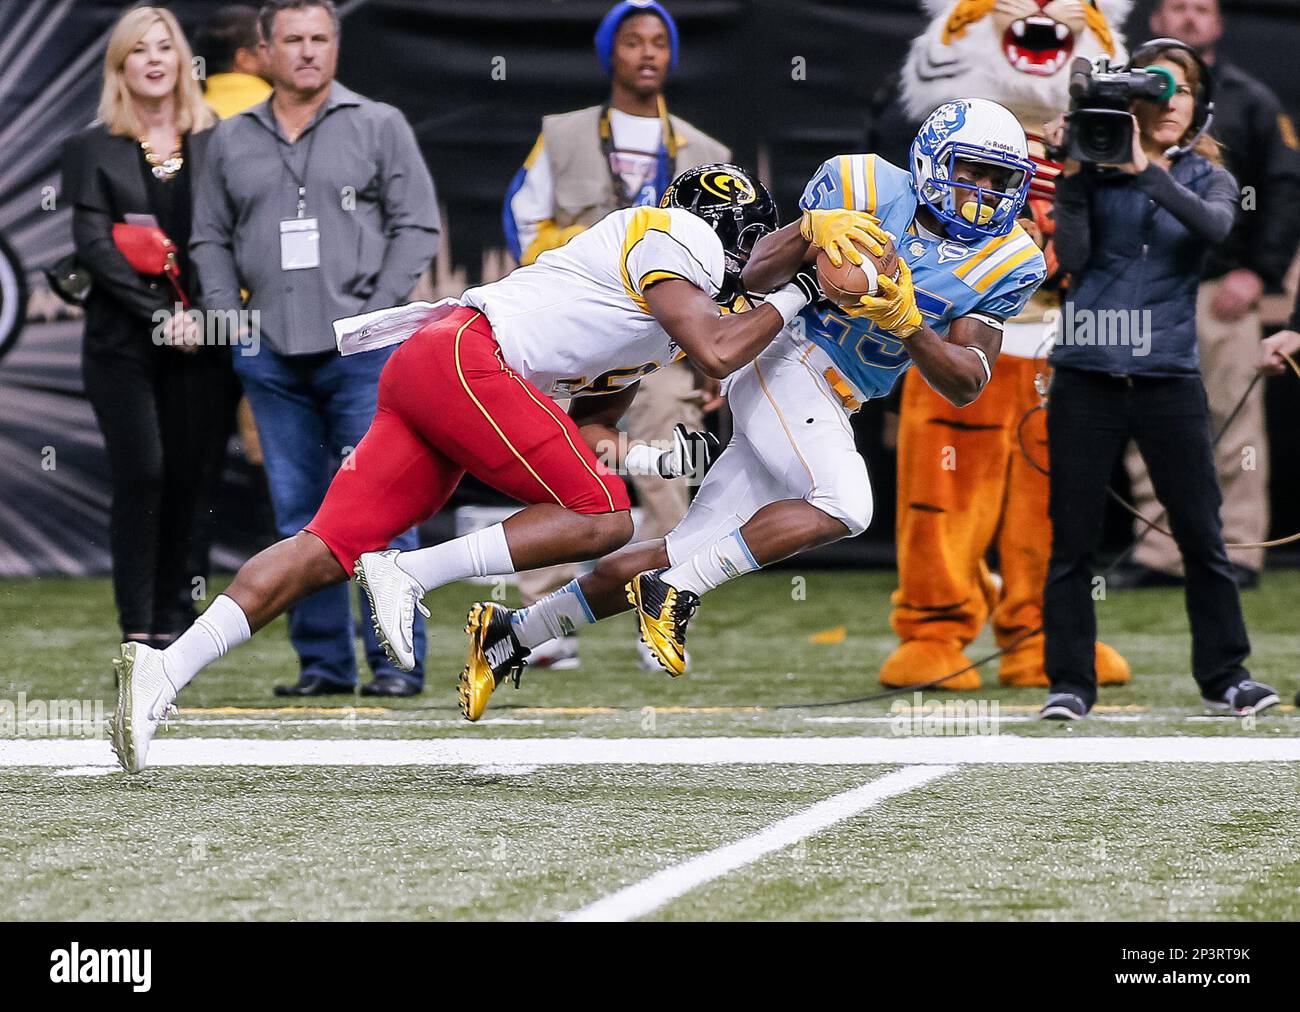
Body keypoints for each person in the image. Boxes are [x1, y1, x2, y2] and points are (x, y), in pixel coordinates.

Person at [109, 163, 823, 771]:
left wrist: (643, 452)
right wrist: (805, 289)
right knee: (605, 517)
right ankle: (408, 573)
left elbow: (600, 417)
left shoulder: (659, 276)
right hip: (469, 363)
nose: (750, 259)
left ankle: (164, 669)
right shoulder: (679, 238)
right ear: (726, 232)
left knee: (323, 549)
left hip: (438, 365)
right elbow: (720, 348)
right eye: (751, 240)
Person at [460, 99, 1050, 720]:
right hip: (786, 357)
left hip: (835, 398)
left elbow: (965, 381)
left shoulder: (1012, 260)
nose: (983, 191)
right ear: (932, 159)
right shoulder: (865, 183)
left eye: (998, 179)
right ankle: (679, 593)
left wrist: (911, 327)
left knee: (680, 547)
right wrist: (809, 230)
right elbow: (752, 277)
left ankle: (513, 633)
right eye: (972, 171)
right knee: (846, 504)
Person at [190, 0, 440, 697]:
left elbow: (417, 225)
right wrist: (226, 321)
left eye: (320, 38)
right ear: (265, 50)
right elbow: (208, 237)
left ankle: (397, 664)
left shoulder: (380, 123)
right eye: (292, 39)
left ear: (336, 46)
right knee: (299, 514)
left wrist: (380, 312)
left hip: (363, 356)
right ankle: (323, 666)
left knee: (382, 509)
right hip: (268, 351)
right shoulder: (228, 138)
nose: (307, 51)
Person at [1038, 40, 1280, 721]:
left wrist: (1145, 169)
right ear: (1134, 101)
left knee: (1201, 533)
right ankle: (1070, 683)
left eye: (1179, 90)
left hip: (1169, 379)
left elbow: (1211, 228)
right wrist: (1078, 173)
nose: (1167, 103)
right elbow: (1075, 260)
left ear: (1198, 103)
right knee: (1073, 538)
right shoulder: (1092, 165)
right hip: (1086, 376)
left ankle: (1226, 676)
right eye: (1155, 90)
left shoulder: (1209, 178)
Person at [502, 0, 730, 672]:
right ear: (612, 53)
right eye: (633, 41)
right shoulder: (564, 132)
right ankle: (541, 618)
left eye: (660, 41)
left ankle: (657, 607)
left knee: (664, 468)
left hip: (661, 346)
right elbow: (522, 219)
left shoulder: (705, 152)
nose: (648, 53)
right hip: (569, 335)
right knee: (558, 461)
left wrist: (712, 352)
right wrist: (597, 257)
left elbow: (727, 262)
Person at [61, 5, 233, 649]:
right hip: (122, 341)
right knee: (146, 472)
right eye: (140, 49)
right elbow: (94, 245)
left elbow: (230, 236)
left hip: (205, 342)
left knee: (194, 479)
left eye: (166, 47)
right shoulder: (90, 146)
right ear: (121, 66)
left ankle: (175, 626)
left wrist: (204, 319)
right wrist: (163, 316)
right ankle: (138, 626)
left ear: (182, 61)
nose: (155, 59)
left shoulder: (219, 138)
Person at [1115, 0, 1300, 589]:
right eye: (1177, 7)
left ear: (1218, 23)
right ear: (1156, 21)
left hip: (1222, 288)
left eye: (1202, 9)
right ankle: (1158, 551)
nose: (1190, 19)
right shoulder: (1122, 96)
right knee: (1149, 422)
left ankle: (1239, 549)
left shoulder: (1250, 99)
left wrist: (1258, 272)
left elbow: (1284, 188)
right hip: (1143, 285)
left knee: (1234, 420)